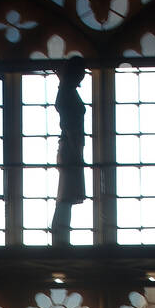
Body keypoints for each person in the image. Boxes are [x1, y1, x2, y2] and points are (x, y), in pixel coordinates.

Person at [51, 59, 86, 246]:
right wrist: (77, 152)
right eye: (81, 71)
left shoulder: (66, 91)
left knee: (67, 193)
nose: (84, 74)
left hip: (70, 146)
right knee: (67, 193)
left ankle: (61, 235)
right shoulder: (67, 93)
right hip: (71, 148)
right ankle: (60, 236)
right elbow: (69, 123)